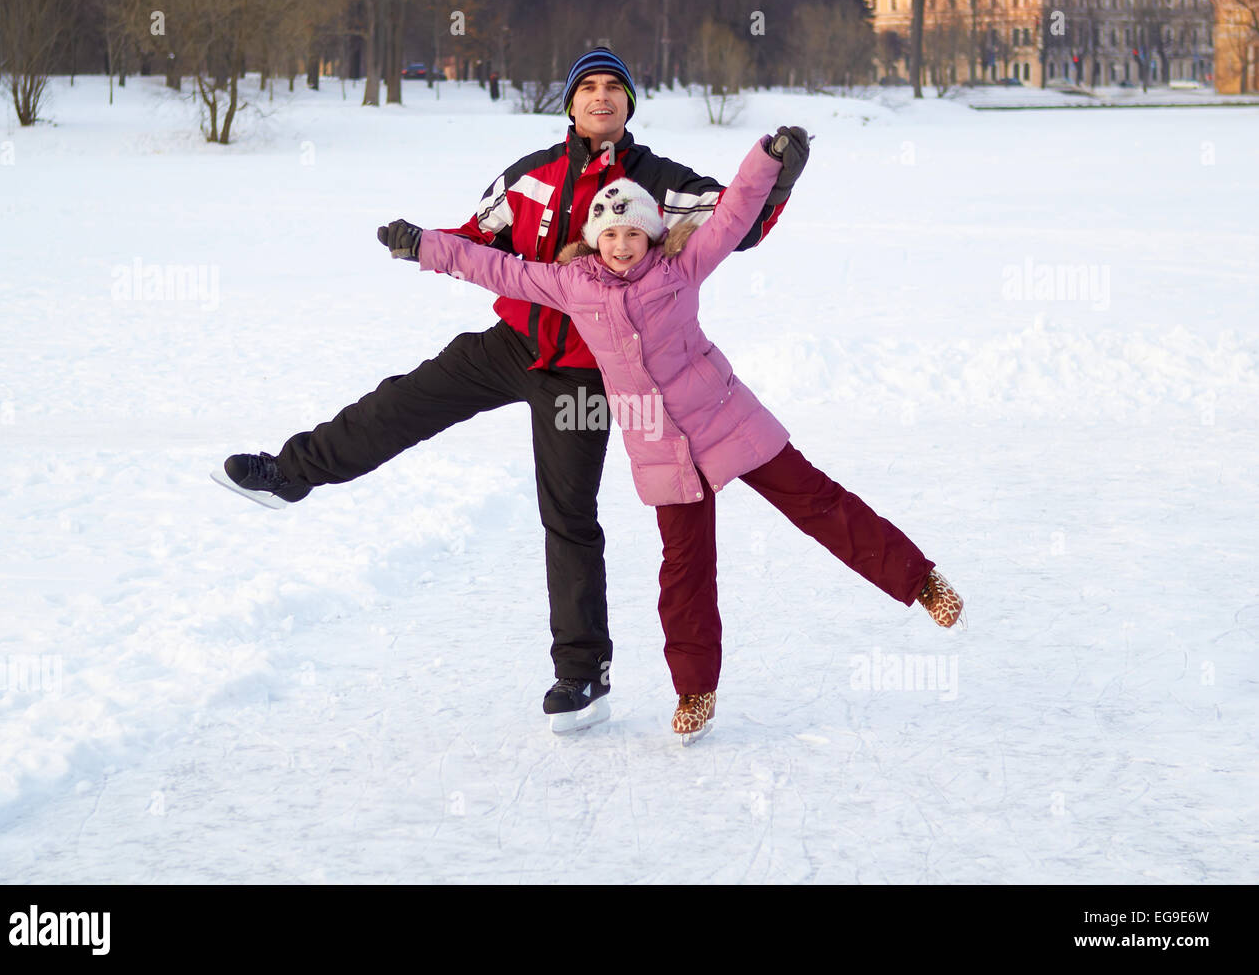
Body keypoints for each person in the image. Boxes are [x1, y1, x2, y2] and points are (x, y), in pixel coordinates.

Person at [214, 47, 799, 732]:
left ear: (630, 104)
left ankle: (583, 674)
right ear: (571, 104)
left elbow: (740, 223)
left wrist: (780, 178)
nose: (601, 98)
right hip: (514, 342)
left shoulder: (661, 183)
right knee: (401, 403)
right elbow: (478, 238)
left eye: (615, 87)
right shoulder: (532, 177)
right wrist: (419, 241)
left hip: (586, 370)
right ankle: (289, 472)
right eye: (588, 88)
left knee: (568, 511)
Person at [375, 127, 965, 743]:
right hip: (659, 447)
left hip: (726, 418)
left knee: (816, 501)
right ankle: (695, 692)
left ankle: (920, 580)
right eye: (611, 235)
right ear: (593, 241)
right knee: (685, 566)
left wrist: (766, 160)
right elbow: (494, 266)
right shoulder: (573, 286)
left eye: (634, 233)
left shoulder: (681, 268)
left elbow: (734, 214)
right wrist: (424, 246)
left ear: (653, 234)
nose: (623, 246)